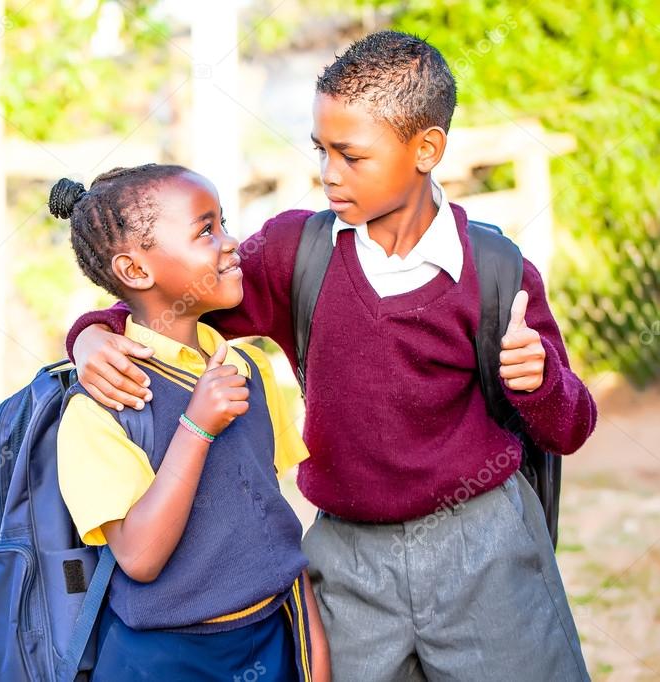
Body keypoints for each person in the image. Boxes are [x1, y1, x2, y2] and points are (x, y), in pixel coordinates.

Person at [64, 32, 596, 681]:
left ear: (425, 148)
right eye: (321, 151)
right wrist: (92, 330)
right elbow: (171, 301)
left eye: (351, 155)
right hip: (347, 560)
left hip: (483, 553)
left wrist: (538, 381)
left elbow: (569, 426)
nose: (328, 174)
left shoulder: (496, 271)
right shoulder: (296, 253)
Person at [51, 164, 330, 682]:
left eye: (223, 222)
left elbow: (273, 521)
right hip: (165, 661)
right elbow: (139, 557)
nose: (230, 243)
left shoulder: (250, 368)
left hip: (274, 639)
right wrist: (197, 428)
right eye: (206, 230)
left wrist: (313, 653)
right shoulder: (98, 408)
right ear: (136, 271)